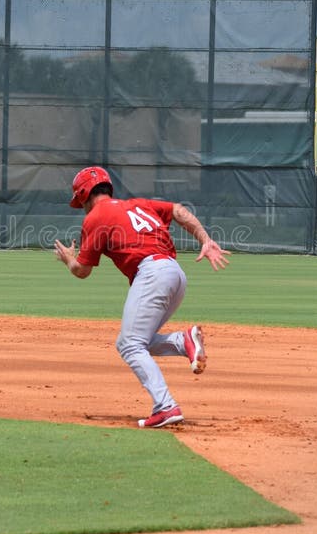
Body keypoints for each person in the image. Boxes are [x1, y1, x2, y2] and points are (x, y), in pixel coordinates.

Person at [54, 165, 230, 428]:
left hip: (151, 274)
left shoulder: (95, 217)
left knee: (129, 345)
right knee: (139, 342)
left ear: (83, 195)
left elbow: (83, 271)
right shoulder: (138, 204)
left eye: (80, 202)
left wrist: (69, 260)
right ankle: (183, 342)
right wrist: (204, 238)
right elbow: (179, 211)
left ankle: (166, 406)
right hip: (175, 275)